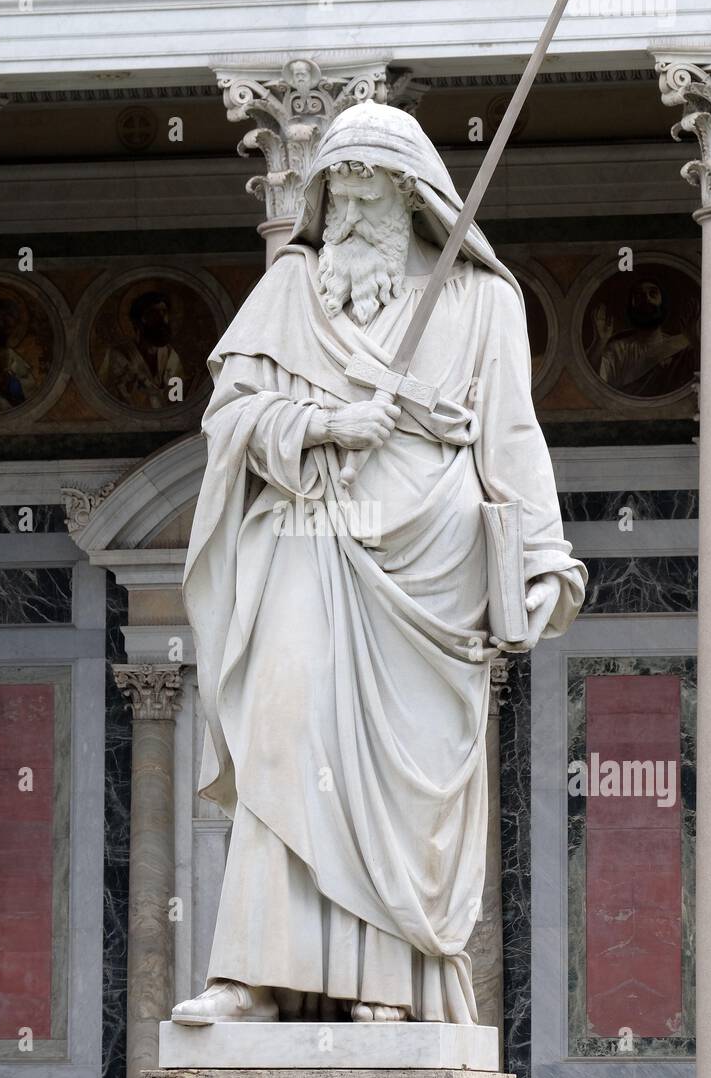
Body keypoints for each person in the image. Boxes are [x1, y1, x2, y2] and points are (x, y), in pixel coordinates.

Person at [174, 101, 586, 1027]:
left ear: (412, 197)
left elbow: (512, 442)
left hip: (430, 566)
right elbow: (228, 423)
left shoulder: (481, 301)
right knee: (284, 733)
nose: (350, 219)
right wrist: (324, 422)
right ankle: (253, 977)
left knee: (402, 788)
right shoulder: (287, 291)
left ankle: (389, 987)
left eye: (368, 197)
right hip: (308, 544)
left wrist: (542, 557)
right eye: (338, 197)